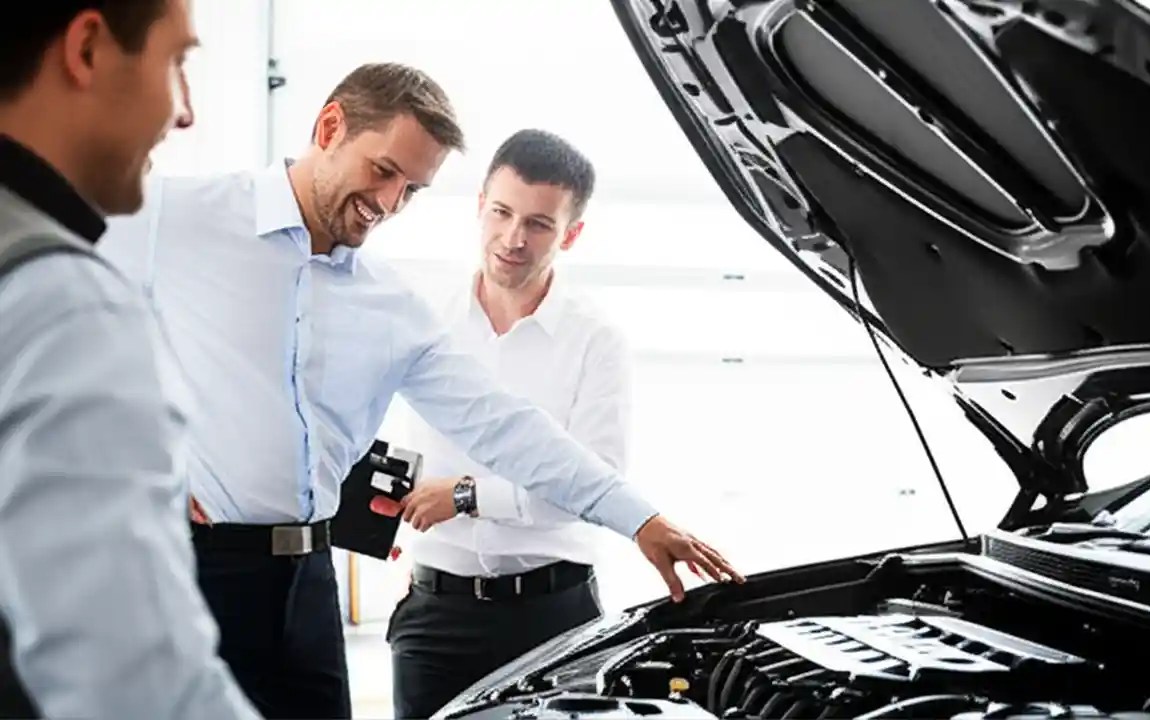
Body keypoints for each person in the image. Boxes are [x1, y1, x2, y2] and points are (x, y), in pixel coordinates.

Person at [97, 62, 743, 719]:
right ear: (330, 127)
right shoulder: (172, 216)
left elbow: (507, 426)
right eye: (383, 171)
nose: (388, 203)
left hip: (309, 583)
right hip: (190, 572)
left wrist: (640, 519)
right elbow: (48, 311)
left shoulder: (392, 306)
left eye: (411, 189)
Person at [0, 2, 263, 719]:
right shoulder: (65, 307)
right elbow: (140, 692)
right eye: (177, 62)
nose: (185, 112)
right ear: (87, 47)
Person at [387, 129, 635, 718]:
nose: (513, 238)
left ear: (571, 234)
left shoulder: (596, 339)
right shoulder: (423, 317)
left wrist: (466, 496)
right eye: (501, 212)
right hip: (435, 612)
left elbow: (594, 487)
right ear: (480, 205)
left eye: (539, 224)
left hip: (555, 619)